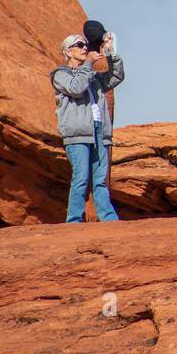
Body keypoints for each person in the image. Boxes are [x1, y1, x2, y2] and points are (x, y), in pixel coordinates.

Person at [51, 32, 124, 223]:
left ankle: (108, 218)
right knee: (81, 177)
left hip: (99, 130)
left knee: (100, 179)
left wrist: (110, 53)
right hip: (78, 133)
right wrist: (89, 65)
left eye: (85, 45)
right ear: (67, 51)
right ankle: (74, 219)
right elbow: (76, 89)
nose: (85, 48)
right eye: (79, 45)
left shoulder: (92, 76)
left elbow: (116, 76)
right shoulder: (60, 75)